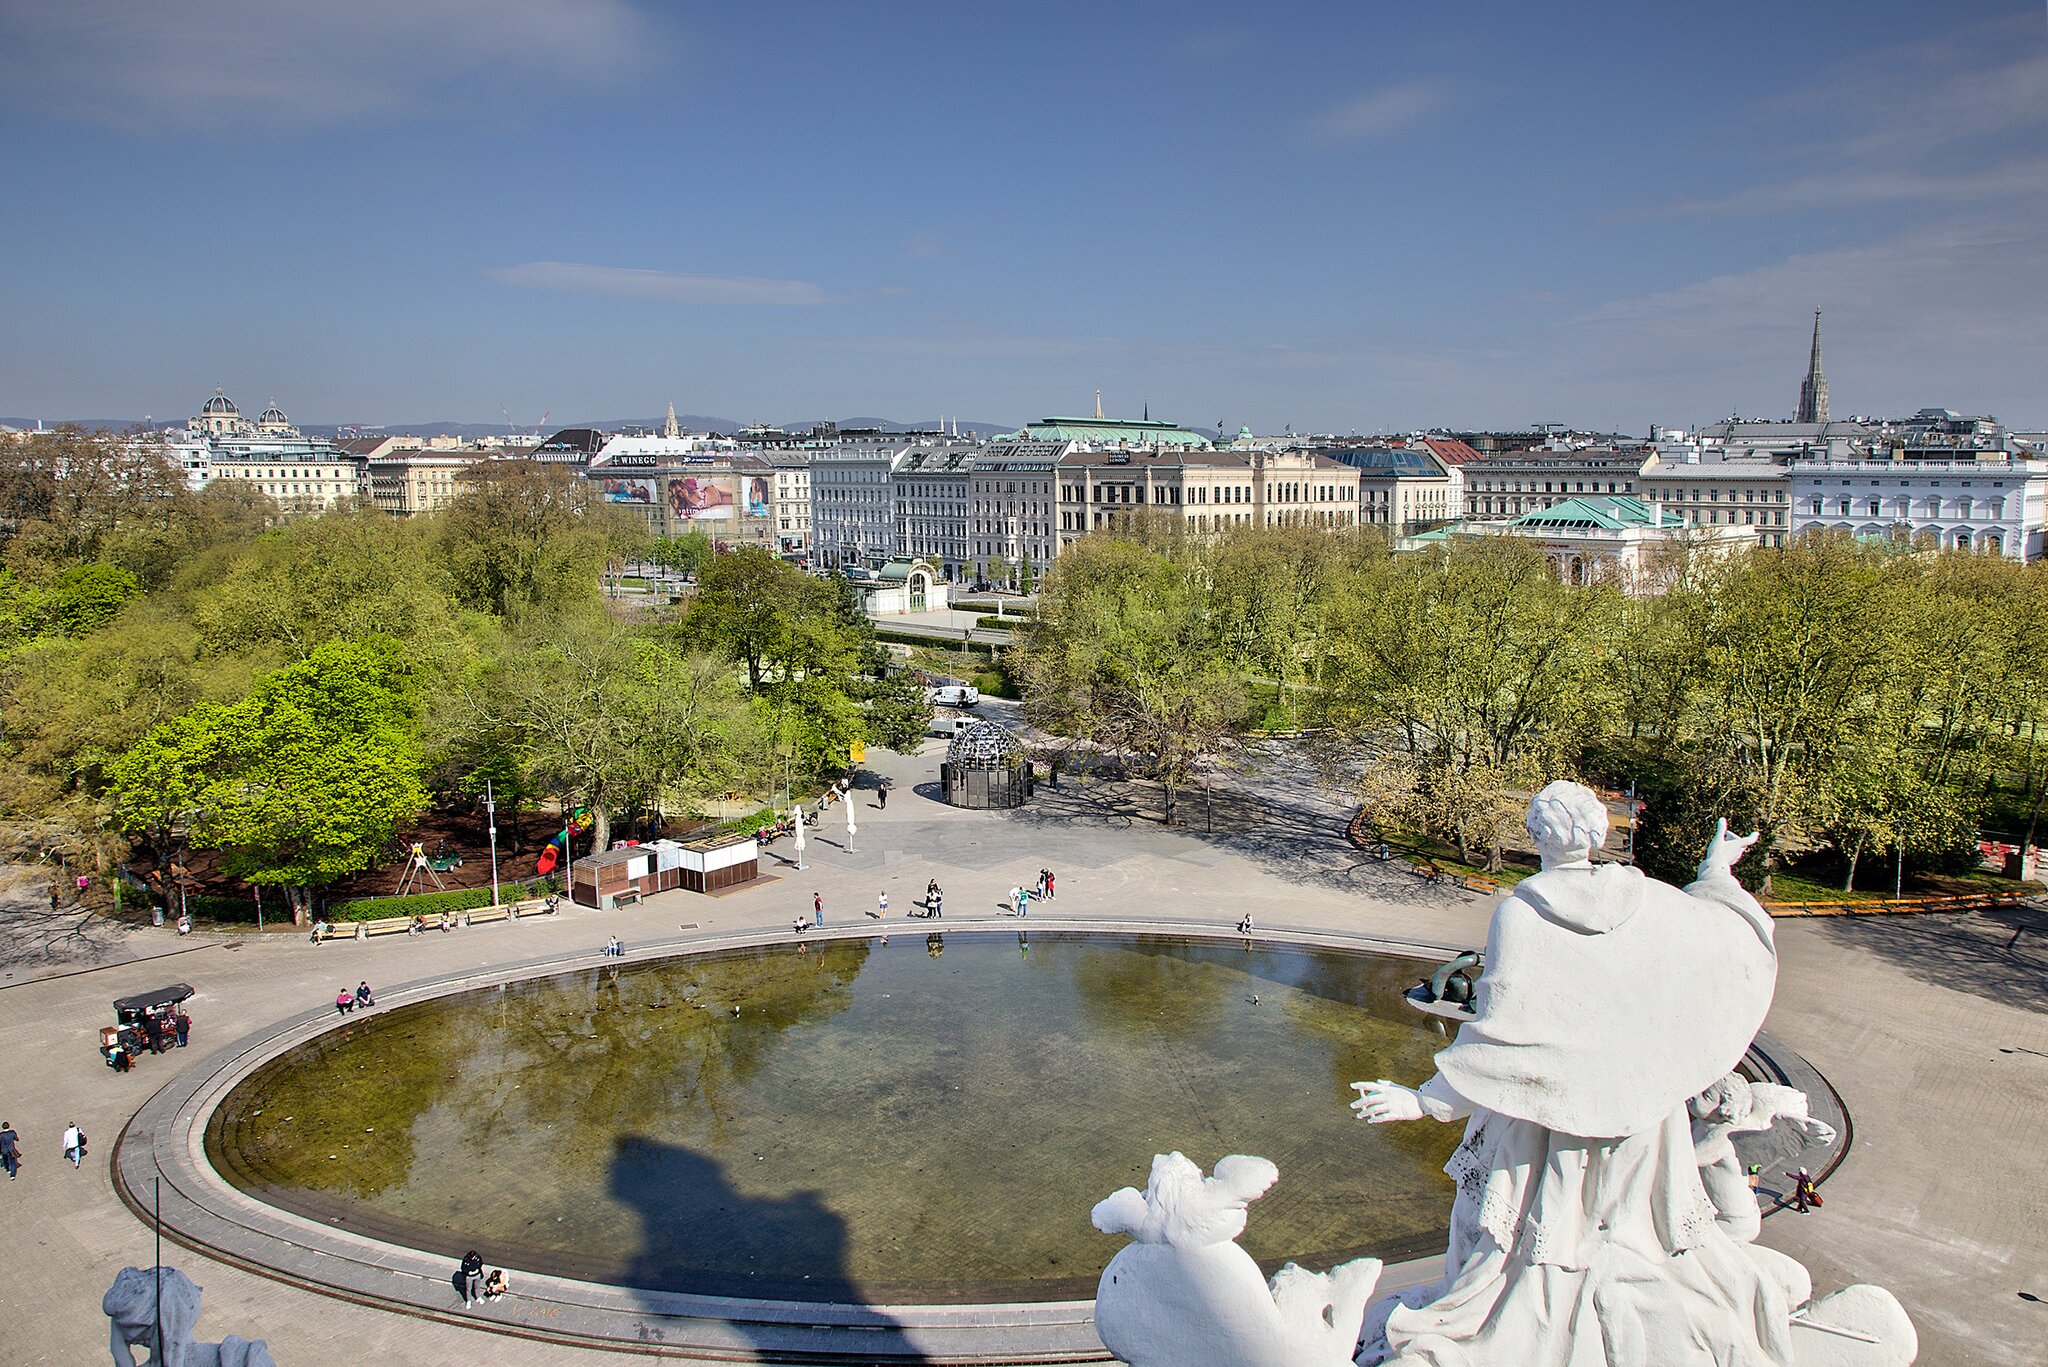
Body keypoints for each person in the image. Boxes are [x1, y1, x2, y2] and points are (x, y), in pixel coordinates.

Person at [1351, 783, 1786, 1364]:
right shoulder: (1648, 899)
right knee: (1625, 1240)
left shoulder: (1522, 914)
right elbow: (1723, 936)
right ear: (1601, 834)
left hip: (1549, 1119)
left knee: (1530, 1247)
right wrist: (1715, 870)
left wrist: (1426, 1101)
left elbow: (1500, 1028)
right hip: (1641, 1121)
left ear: (1533, 837)